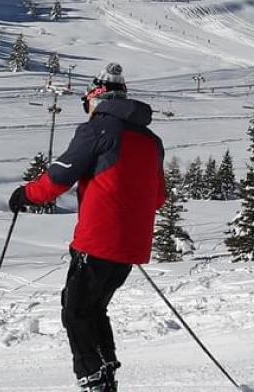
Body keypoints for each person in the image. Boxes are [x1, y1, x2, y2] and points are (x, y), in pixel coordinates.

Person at [11, 63, 165, 391]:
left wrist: (25, 195)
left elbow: (58, 177)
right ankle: (105, 374)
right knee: (93, 309)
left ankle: (95, 381)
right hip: (131, 246)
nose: (88, 111)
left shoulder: (98, 129)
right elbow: (158, 198)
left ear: (95, 99)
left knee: (76, 311)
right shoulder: (151, 140)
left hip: (97, 240)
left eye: (86, 104)